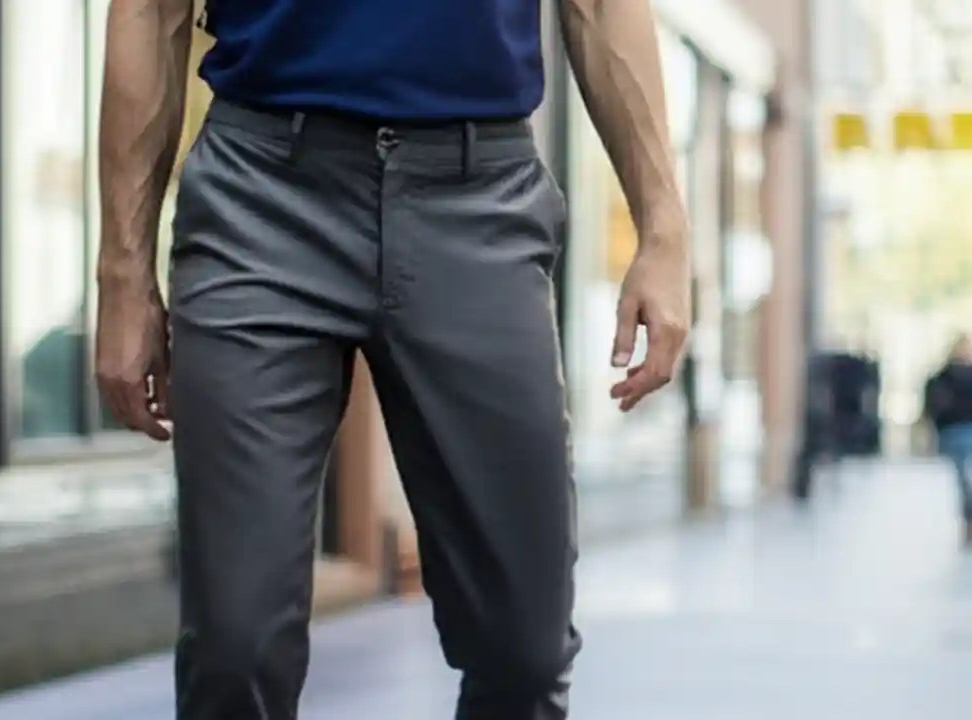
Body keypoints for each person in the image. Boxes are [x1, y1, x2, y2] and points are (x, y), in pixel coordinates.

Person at [95, 0, 690, 717]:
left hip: (480, 201)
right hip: (261, 199)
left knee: (524, 651)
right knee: (236, 650)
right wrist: (123, 276)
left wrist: (664, 229)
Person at [924, 334, 972, 547]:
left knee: (964, 479)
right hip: (955, 431)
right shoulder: (943, 376)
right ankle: (968, 519)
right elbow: (933, 405)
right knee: (963, 480)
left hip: (962, 430)